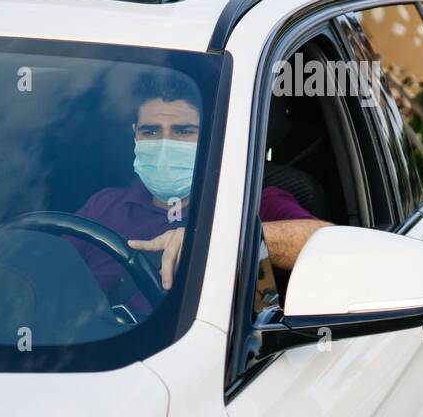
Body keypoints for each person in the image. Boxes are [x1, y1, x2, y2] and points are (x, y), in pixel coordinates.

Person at [71, 70, 330, 317]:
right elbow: (46, 270)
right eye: (151, 131)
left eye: (183, 131)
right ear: (135, 135)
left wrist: (213, 238)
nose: (164, 144)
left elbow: (325, 244)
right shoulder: (103, 205)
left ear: (210, 137)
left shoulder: (254, 203)